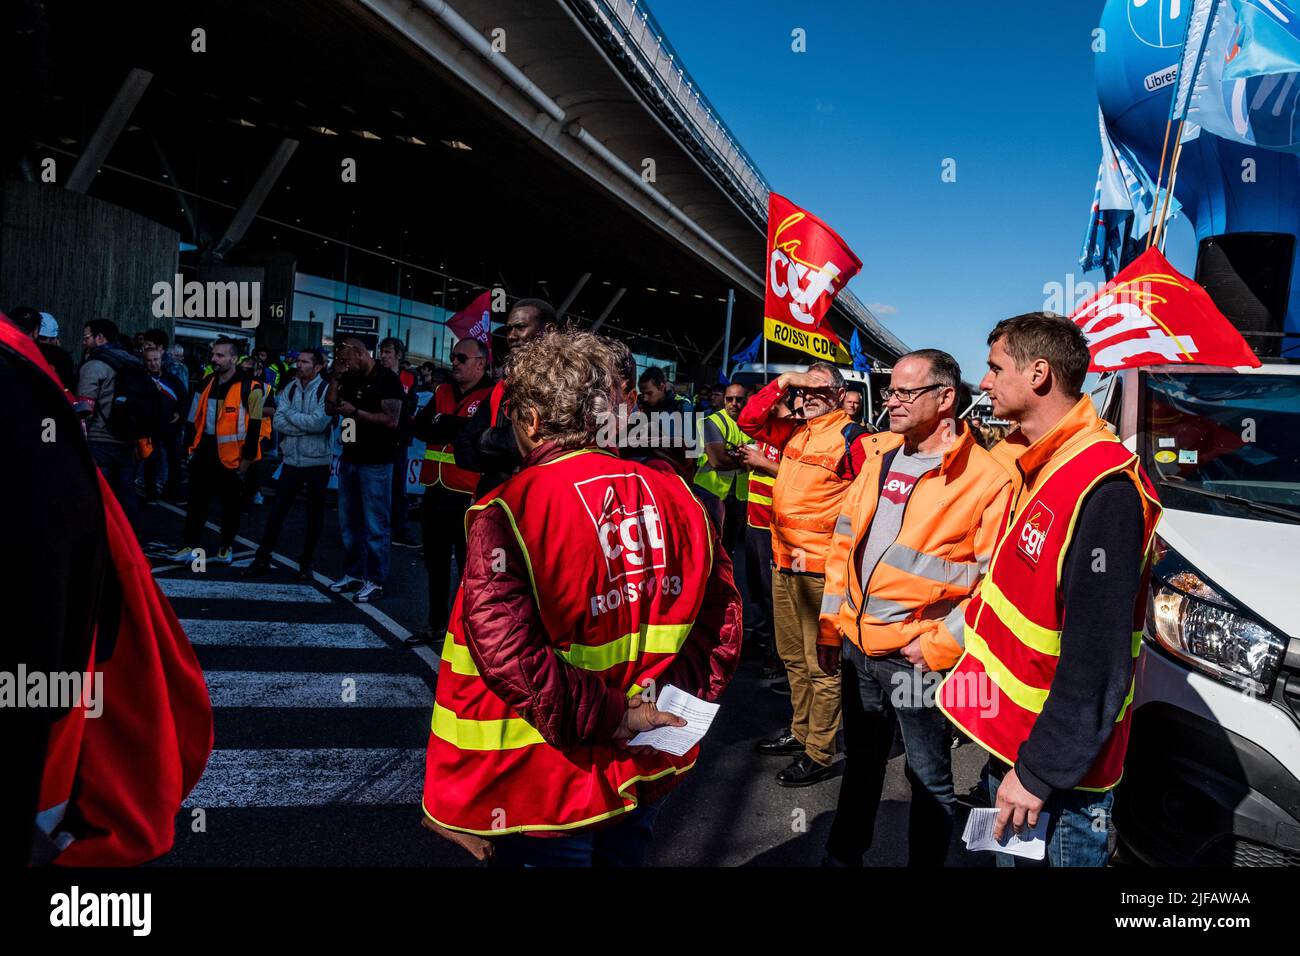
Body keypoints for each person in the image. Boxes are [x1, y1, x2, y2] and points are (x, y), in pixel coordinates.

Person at [421, 328, 743, 867]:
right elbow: (724, 621)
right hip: (645, 754)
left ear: (529, 421)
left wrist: (615, 717)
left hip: (549, 774)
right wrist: (670, 708)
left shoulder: (509, 511)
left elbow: (506, 654)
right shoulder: (680, 495)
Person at [937, 313, 1162, 867]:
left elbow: (1096, 660)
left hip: (1054, 785)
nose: (984, 383)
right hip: (1018, 751)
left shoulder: (1102, 485)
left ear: (1038, 374)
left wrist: (1038, 773)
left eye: (994, 369)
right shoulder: (1043, 463)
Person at [816, 350, 1014, 867]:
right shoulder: (880, 458)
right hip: (858, 649)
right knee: (861, 766)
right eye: (891, 391)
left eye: (906, 392)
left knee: (928, 781)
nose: (892, 401)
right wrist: (830, 625)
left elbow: (996, 584)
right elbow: (844, 543)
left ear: (945, 398)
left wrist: (936, 645)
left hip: (915, 659)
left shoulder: (987, 479)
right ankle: (843, 857)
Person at [737, 362, 871, 787]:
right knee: (793, 658)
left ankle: (820, 750)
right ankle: (802, 731)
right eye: (803, 389)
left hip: (821, 572)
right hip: (784, 561)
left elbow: (870, 501)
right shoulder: (796, 429)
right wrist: (785, 381)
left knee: (821, 665)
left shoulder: (856, 438)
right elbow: (748, 419)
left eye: (817, 389)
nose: (806, 397)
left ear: (837, 393)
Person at [406, 337, 493, 647]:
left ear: (480, 363)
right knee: (436, 561)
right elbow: (421, 428)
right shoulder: (442, 391)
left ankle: (467, 631)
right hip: (435, 490)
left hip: (468, 494)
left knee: (470, 569)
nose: (454, 362)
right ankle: (435, 623)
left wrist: (445, 423)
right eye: (453, 356)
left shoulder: (490, 395)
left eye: (461, 357)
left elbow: (479, 436)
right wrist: (455, 425)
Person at [167, 338, 266, 565]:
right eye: (214, 354)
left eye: (220, 355)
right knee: (196, 503)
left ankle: (225, 547)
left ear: (234, 358)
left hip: (233, 456)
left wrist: (247, 460)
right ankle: (189, 545)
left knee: (230, 506)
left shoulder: (252, 387)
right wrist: (189, 451)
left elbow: (255, 426)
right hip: (205, 452)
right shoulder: (206, 383)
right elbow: (193, 419)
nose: (214, 359)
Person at [325, 335, 404, 603]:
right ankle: (354, 573)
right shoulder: (348, 376)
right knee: (349, 522)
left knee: (375, 523)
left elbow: (392, 420)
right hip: (350, 457)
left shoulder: (388, 379)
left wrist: (356, 412)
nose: (344, 365)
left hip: (376, 461)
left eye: (346, 360)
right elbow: (329, 407)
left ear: (360, 353)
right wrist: (335, 378)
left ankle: (375, 579)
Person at [454, 297, 557, 497]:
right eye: (509, 329)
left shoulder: (566, 381)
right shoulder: (502, 387)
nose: (511, 336)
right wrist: (504, 451)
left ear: (550, 331)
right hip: (496, 500)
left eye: (520, 327)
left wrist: (487, 441)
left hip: (540, 499)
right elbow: (463, 444)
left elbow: (544, 442)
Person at [244, 348, 332, 580]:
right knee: (277, 513)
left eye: (305, 362)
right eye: (299, 361)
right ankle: (262, 558)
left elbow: (319, 424)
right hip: (291, 461)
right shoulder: (291, 388)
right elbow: (279, 423)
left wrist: (292, 416)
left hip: (317, 463)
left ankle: (307, 564)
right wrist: (300, 422)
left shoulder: (326, 390)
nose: (298, 365)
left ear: (317, 367)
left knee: (314, 517)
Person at [78, 319, 146, 516]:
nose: (84, 342)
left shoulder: (94, 365)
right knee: (125, 495)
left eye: (86, 337)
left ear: (99, 338)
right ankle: (128, 540)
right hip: (127, 440)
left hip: (99, 441)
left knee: (95, 495)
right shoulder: (133, 362)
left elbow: (84, 408)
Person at [693, 382, 751, 553]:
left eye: (739, 399)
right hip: (710, 493)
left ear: (746, 400)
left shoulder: (750, 424)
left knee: (728, 549)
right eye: (730, 399)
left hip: (737, 496)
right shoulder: (712, 422)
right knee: (708, 547)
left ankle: (726, 579)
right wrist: (745, 461)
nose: (734, 403)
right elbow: (718, 461)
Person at [379, 336, 419, 548]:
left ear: (398, 355)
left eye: (388, 352)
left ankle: (400, 531)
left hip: (399, 441)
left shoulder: (409, 378)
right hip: (378, 440)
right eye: (382, 352)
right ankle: (374, 529)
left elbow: (411, 404)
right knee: (375, 488)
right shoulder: (376, 375)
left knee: (398, 489)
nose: (384, 356)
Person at [138, 345, 181, 501]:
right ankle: (151, 493)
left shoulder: (172, 379)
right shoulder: (141, 379)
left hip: (170, 425)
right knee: (151, 459)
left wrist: (179, 413)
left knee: (174, 459)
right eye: (148, 360)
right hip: (150, 426)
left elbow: (183, 398)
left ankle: (172, 492)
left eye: (155, 359)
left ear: (161, 360)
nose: (153, 363)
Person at [8, 306, 75, 390]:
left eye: (50, 339)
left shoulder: (60, 359)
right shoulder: (59, 358)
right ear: (36, 332)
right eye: (42, 338)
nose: (46, 343)